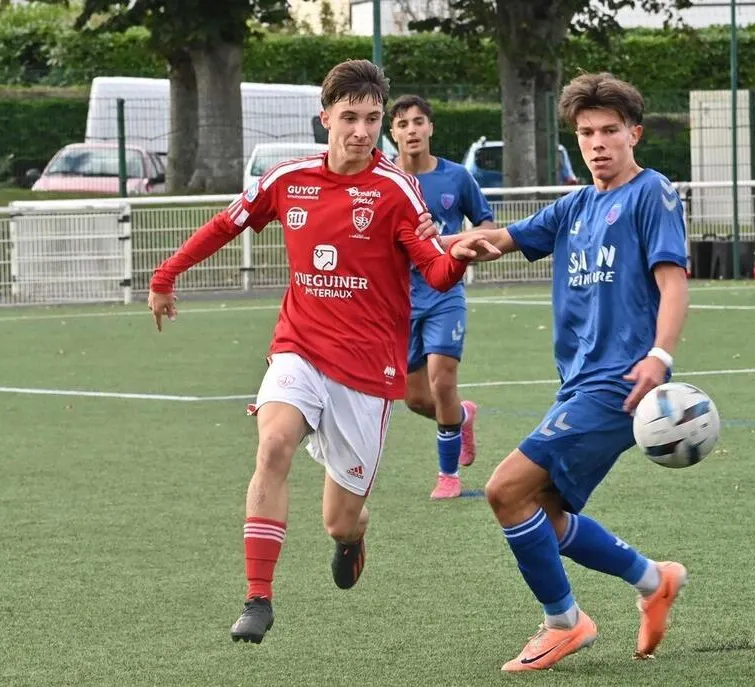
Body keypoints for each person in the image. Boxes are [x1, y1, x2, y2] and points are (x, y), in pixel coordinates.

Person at [146, 59, 499, 645]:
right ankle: (258, 598)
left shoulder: (394, 190)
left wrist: (461, 255)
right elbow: (224, 225)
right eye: (349, 117)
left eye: (372, 119)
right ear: (325, 118)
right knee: (274, 444)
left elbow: (433, 272)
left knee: (338, 518)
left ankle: (353, 536)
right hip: (299, 347)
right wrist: (165, 276)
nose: (362, 131)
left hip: (368, 369)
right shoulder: (288, 180)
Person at [460, 72, 691, 672]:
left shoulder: (652, 193)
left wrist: (659, 357)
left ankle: (565, 622)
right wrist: (450, 246)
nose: (597, 143)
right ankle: (652, 579)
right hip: (578, 381)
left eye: (610, 130)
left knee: (505, 490)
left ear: (634, 133)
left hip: (623, 381)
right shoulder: (575, 206)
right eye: (586, 132)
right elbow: (501, 239)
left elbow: (673, 283)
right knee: (547, 513)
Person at [388, 94, 497, 500]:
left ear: (431, 128)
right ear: (393, 133)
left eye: (419, 122)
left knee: (442, 381)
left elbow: (486, 223)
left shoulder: (456, 178)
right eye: (403, 124)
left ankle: (447, 475)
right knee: (416, 398)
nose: (412, 130)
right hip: (398, 300)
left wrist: (466, 243)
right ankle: (462, 418)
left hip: (444, 292)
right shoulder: (384, 181)